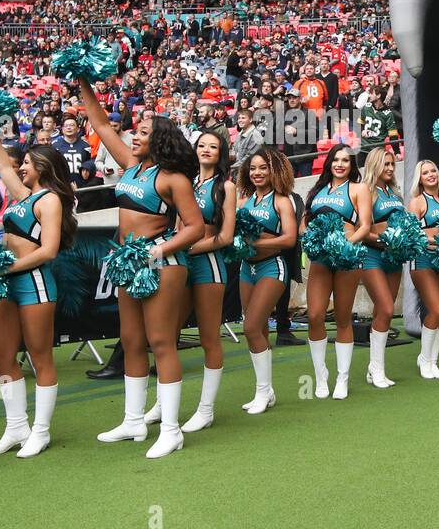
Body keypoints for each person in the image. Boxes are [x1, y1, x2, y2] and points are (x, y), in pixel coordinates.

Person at [78, 73, 204, 459]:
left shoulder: (173, 178)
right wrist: (82, 78)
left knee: (161, 342)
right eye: (135, 130)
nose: (134, 135)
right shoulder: (130, 165)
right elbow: (99, 122)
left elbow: (196, 227)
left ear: (160, 139)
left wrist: (157, 250)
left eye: (143, 132)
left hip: (162, 263)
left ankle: (170, 429)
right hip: (126, 261)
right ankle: (134, 420)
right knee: (131, 340)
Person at [0, 138, 77, 459]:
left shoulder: (49, 200)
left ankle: (41, 430)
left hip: (33, 283)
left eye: (26, 162)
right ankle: (16, 426)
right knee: (1, 356)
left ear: (42, 166)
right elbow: (1, 166)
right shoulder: (24, 196)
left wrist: (7, 268)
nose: (20, 167)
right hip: (8, 283)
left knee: (40, 358)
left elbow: (48, 251)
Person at [147, 131, 234, 433]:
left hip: (207, 265)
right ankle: (161, 403)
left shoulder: (226, 186)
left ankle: (205, 409)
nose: (206, 150)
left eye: (213, 146)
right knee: (166, 335)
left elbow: (225, 236)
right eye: (202, 145)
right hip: (179, 264)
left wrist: (188, 247)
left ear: (221, 152)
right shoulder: (183, 180)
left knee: (209, 336)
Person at [302, 144, 372, 399]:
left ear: (352, 165)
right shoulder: (318, 190)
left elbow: (365, 226)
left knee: (343, 317)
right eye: (336, 160)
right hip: (321, 258)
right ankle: (321, 377)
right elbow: (305, 222)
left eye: (346, 160)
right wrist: (309, 236)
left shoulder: (358, 189)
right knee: (315, 315)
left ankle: (342, 378)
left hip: (346, 257)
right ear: (329, 162)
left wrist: (345, 244)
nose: (340, 164)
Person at [235, 147, 299, 414]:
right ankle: (265, 390)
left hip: (272, 267)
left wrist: (258, 242)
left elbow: (289, 239)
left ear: (274, 171)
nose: (257, 173)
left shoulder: (282, 201)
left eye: (263, 168)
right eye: (253, 168)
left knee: (250, 327)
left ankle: (264, 391)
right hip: (245, 269)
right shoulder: (243, 201)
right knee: (257, 329)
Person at [358, 147, 403, 388]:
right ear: (374, 164)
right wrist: (384, 240)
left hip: (394, 258)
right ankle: (376, 369)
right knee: (385, 308)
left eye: (392, 164)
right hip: (372, 255)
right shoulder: (366, 191)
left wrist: (404, 241)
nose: (390, 168)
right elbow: (361, 231)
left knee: (383, 311)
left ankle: (375, 367)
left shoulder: (394, 193)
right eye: (385, 164)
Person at [408, 158, 439, 378]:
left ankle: (433, 361)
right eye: (425, 173)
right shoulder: (417, 201)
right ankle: (424, 359)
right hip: (423, 259)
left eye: (433, 170)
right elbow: (411, 234)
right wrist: (430, 240)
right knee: (435, 309)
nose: (431, 175)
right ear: (420, 177)